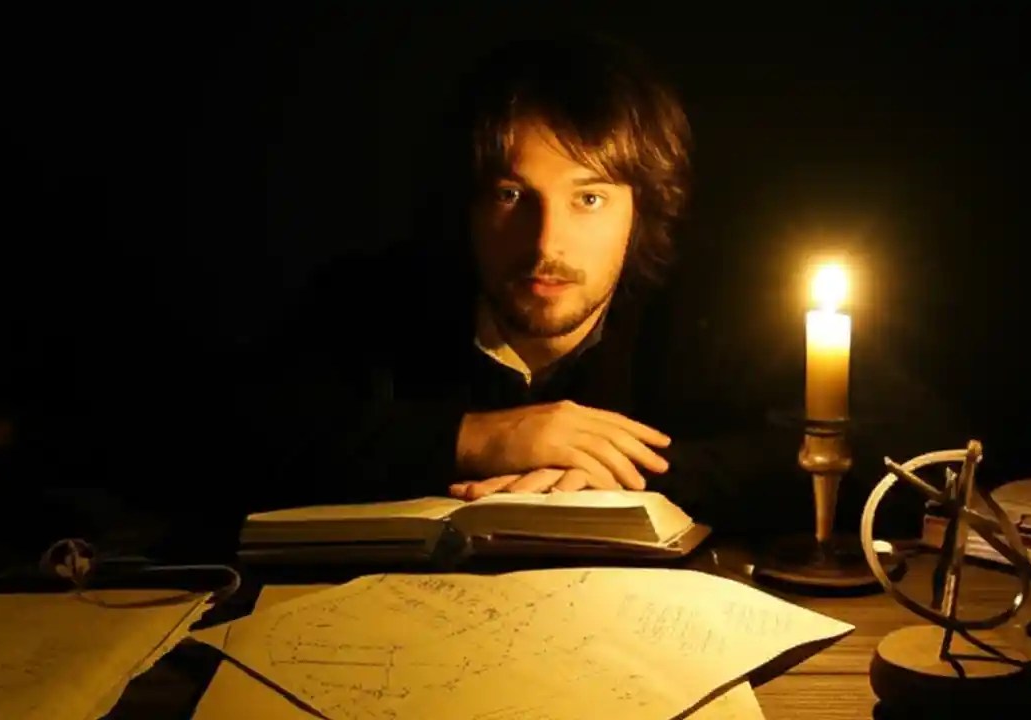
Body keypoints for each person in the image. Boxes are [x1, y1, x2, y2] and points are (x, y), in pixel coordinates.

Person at [230, 30, 811, 535]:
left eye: (588, 198)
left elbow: (843, 454)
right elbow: (239, 441)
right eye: (511, 196)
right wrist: (477, 440)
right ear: (468, 202)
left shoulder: (704, 320)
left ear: (642, 208)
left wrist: (612, 471)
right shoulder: (371, 303)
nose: (545, 243)